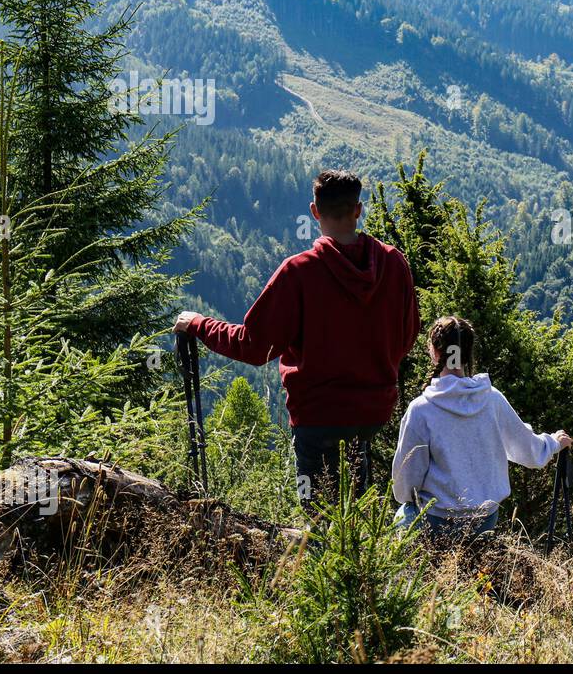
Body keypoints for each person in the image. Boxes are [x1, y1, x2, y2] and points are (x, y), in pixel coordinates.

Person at [174, 169, 420, 512]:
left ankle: (323, 556)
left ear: (315, 211)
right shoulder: (393, 264)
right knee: (355, 505)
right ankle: (361, 559)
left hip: (318, 417)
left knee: (317, 512)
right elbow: (408, 335)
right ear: (358, 210)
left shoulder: (299, 272)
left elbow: (254, 346)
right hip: (372, 412)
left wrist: (199, 324)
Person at [392, 316, 573, 541]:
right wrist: (555, 442)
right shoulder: (491, 399)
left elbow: (404, 488)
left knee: (403, 516)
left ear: (434, 352)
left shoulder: (421, 410)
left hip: (437, 522)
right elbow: (529, 450)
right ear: (468, 354)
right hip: (484, 521)